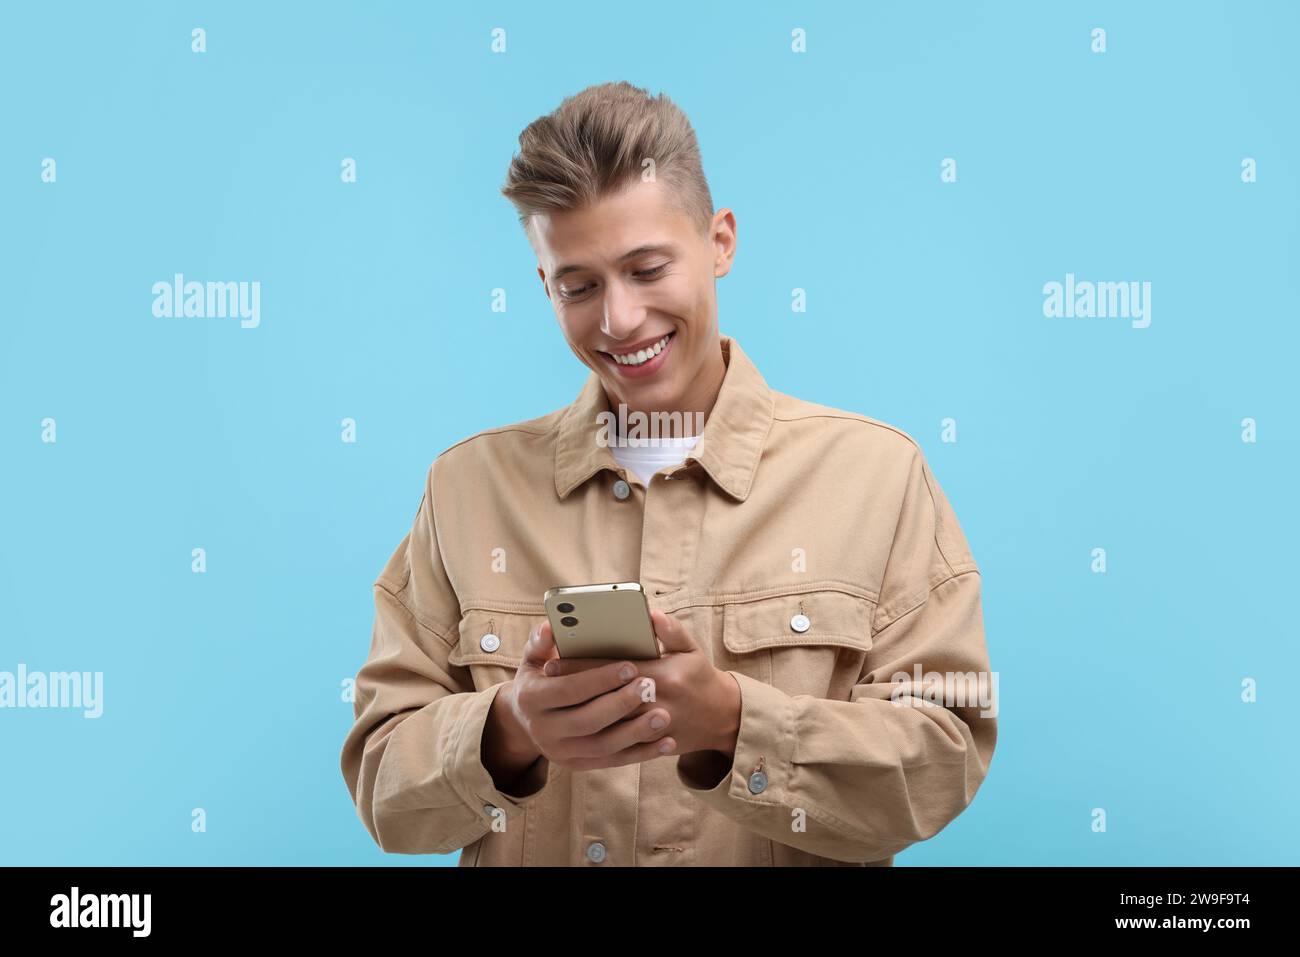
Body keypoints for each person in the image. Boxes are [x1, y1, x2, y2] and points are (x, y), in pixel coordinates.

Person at [340, 81, 997, 866]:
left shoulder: (878, 477)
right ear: (543, 286)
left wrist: (732, 723)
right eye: (578, 285)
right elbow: (385, 787)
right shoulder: (464, 489)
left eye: (647, 268)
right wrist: (508, 728)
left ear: (719, 242)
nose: (618, 319)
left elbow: (944, 757)